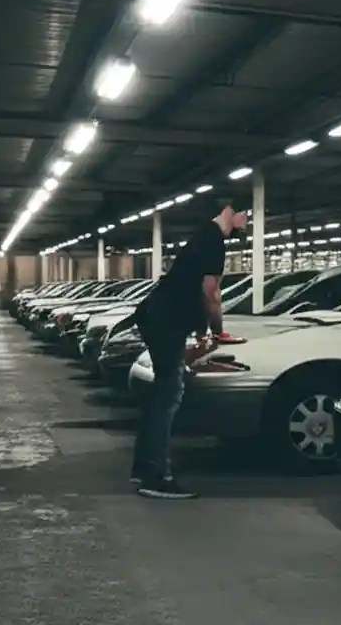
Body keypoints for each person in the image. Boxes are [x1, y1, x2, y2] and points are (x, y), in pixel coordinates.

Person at [131, 201, 248, 499]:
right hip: (165, 321)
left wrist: (201, 333)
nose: (249, 221)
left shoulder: (202, 236)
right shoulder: (214, 241)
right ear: (231, 210)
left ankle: (143, 469)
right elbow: (211, 293)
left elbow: (194, 290)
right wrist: (218, 330)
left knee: (161, 395)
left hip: (157, 317)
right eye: (249, 214)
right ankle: (157, 478)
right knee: (169, 395)